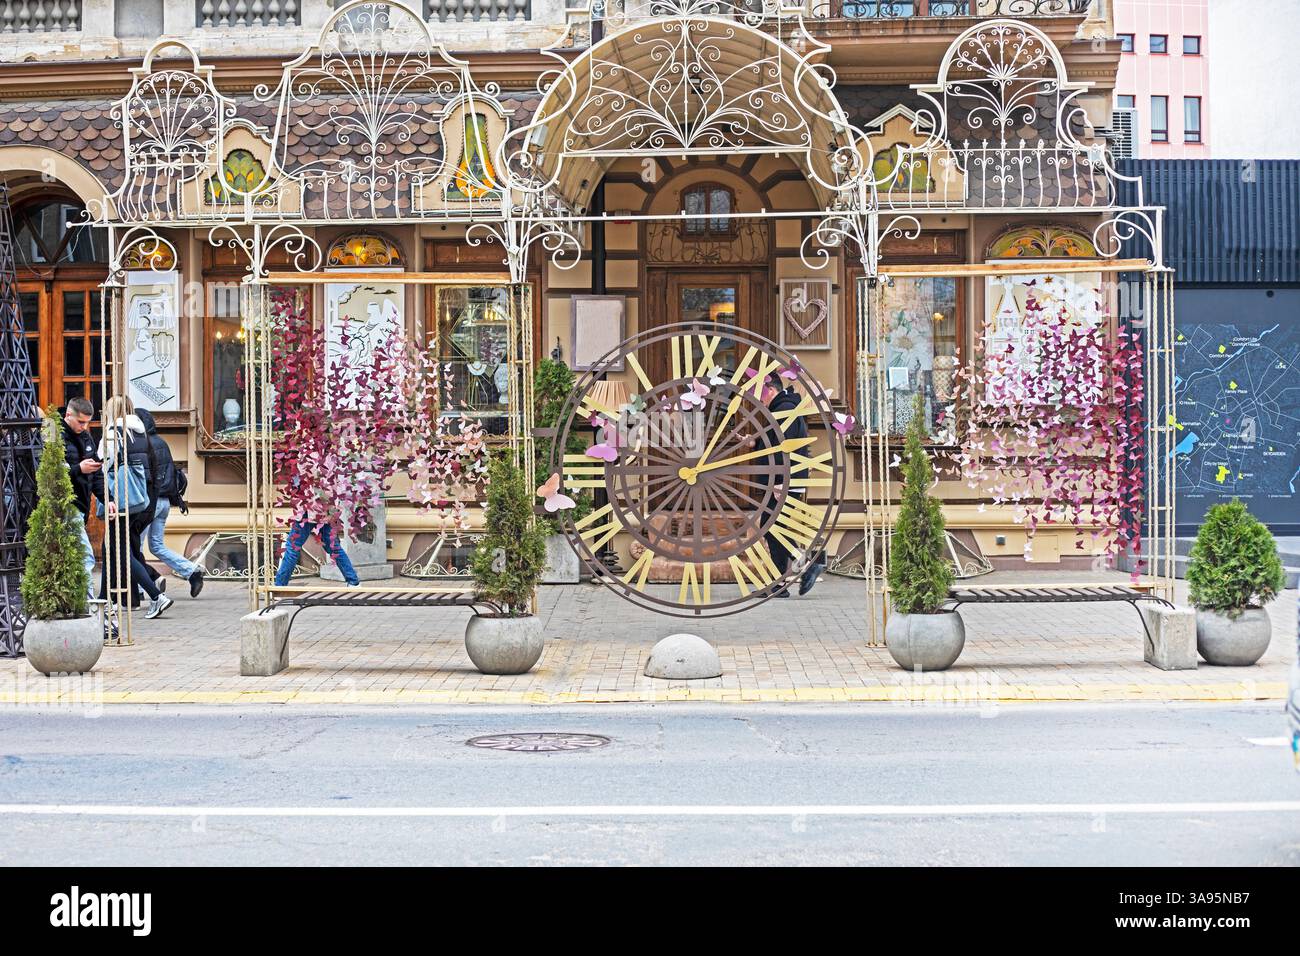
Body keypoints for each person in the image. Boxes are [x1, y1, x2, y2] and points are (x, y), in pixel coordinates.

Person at [97, 395, 173, 624]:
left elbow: (103, 461)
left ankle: (156, 594)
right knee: (111, 547)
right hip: (139, 500)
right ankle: (104, 600)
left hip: (119, 499)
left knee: (119, 552)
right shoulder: (139, 432)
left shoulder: (113, 432)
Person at [757, 371, 825, 598]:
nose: (759, 399)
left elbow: (783, 450)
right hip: (786, 480)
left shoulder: (783, 409)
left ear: (771, 390)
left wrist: (779, 482)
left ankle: (807, 563)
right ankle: (779, 584)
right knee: (775, 528)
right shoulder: (783, 408)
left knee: (772, 527)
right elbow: (775, 443)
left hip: (784, 481)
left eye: (761, 394)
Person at [135, 409, 205, 598]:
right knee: (156, 546)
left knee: (135, 547)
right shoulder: (162, 442)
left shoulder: (142, 444)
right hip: (165, 502)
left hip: (149, 502)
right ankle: (192, 571)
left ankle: (143, 587)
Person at [59, 398, 100, 602]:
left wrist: (105, 499)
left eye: (87, 423)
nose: (85, 427)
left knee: (71, 558)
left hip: (82, 504)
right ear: (68, 415)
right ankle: (90, 605)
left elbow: (95, 472)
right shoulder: (55, 434)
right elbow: (51, 472)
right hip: (66, 505)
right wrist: (78, 469)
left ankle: (75, 602)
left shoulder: (85, 437)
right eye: (81, 422)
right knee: (85, 555)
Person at [274, 519, 359, 587]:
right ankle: (353, 582)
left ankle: (280, 585)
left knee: (293, 546)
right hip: (326, 508)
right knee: (334, 547)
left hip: (309, 506)